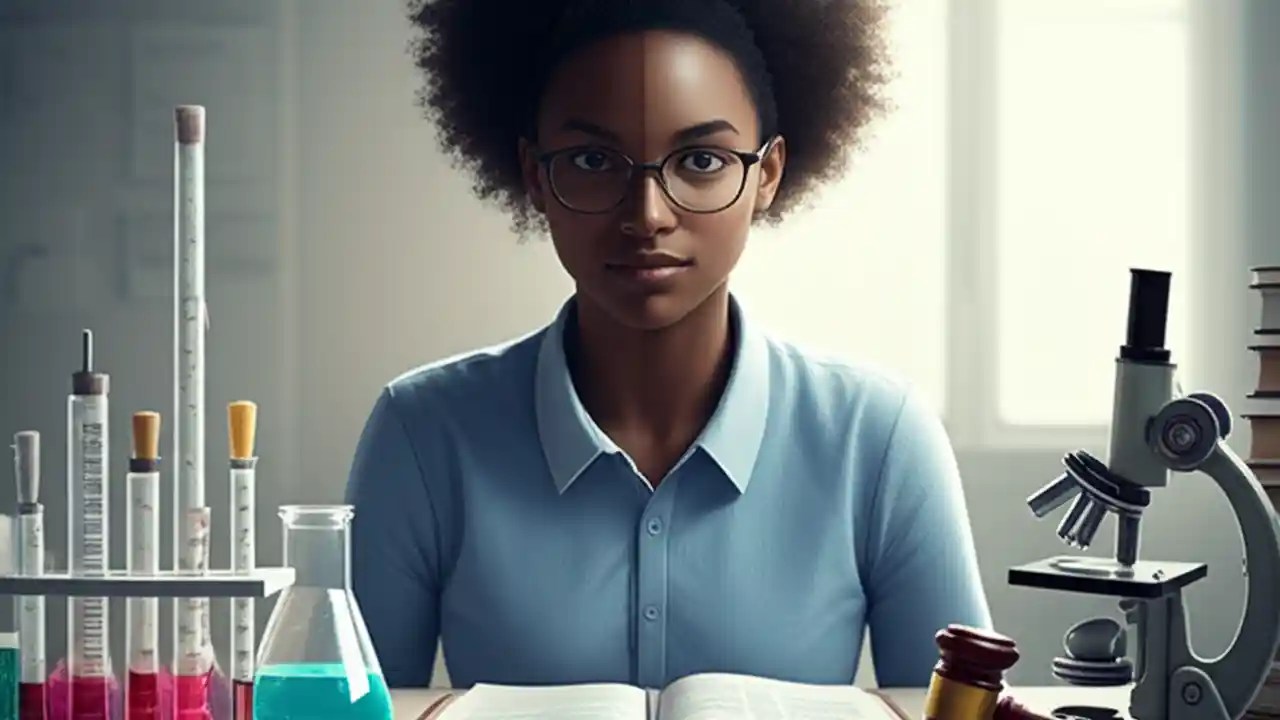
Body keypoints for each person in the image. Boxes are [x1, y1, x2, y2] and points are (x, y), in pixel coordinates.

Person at [345, 0, 992, 692]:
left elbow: (961, 710)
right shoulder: (422, 433)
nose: (647, 215)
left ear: (766, 174)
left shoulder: (880, 438)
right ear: (537, 175)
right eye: (594, 159)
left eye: (702, 160)